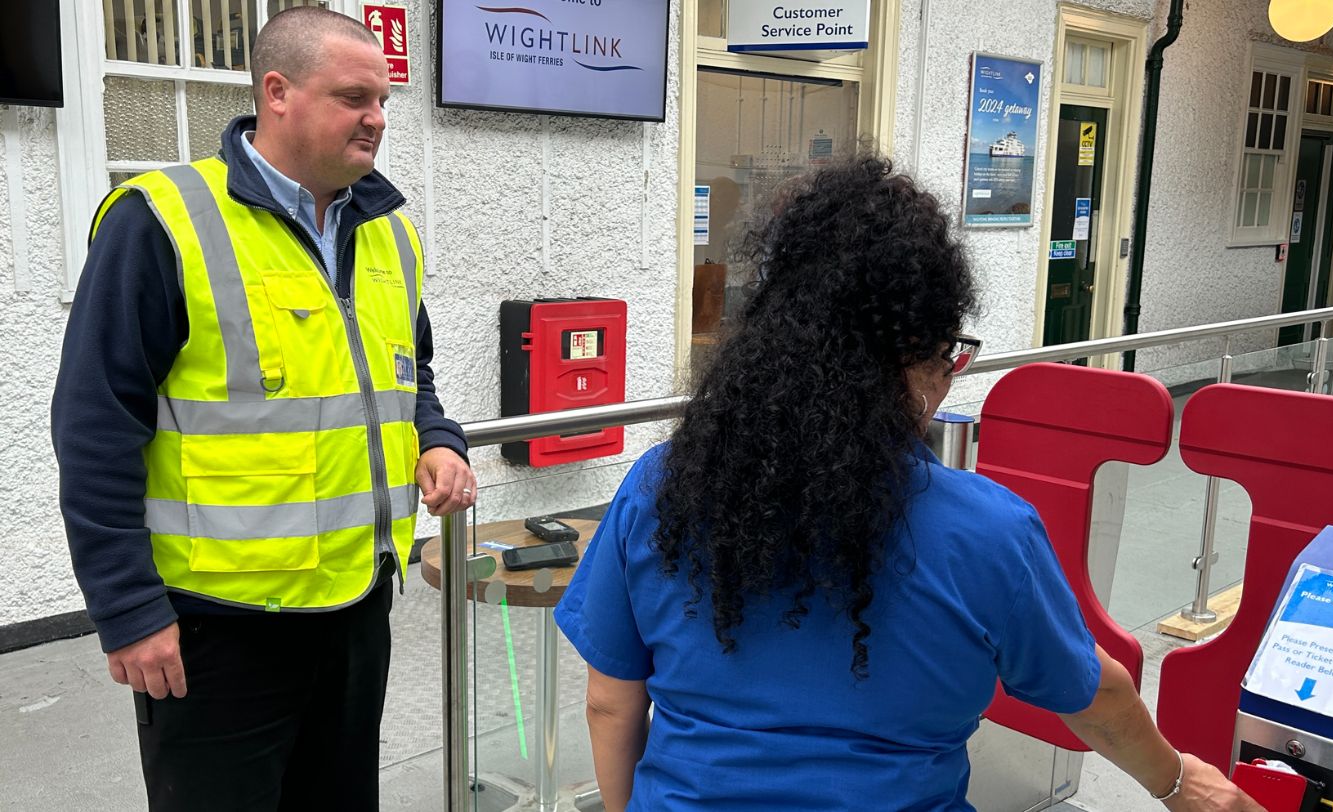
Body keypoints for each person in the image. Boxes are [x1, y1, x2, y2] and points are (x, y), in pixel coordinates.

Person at [554, 155, 1265, 811]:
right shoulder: (988, 533)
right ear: (917, 361)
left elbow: (610, 703)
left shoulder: (660, 490)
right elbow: (1095, 694)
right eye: (949, 354)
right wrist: (1178, 782)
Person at [50, 8, 476, 810]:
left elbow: (409, 374)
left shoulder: (388, 232)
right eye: (354, 97)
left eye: (382, 99)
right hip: (217, 630)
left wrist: (438, 439)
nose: (377, 118)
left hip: (355, 608)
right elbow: (95, 425)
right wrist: (128, 609)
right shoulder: (162, 221)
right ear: (276, 92)